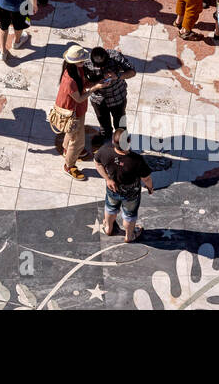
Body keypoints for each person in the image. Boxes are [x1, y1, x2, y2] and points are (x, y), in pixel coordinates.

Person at [94, 129, 154, 243]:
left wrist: (108, 179)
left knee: (111, 208)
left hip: (112, 189)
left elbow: (97, 163)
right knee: (129, 214)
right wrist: (150, 187)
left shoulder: (104, 151)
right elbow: (146, 178)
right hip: (131, 194)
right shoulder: (137, 160)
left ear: (112, 141)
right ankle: (129, 236)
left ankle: (108, 228)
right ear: (129, 141)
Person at [55, 46, 94, 180]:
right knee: (78, 141)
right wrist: (94, 89)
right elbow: (79, 98)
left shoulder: (77, 69)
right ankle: (69, 165)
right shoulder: (69, 81)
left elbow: (83, 84)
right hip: (73, 112)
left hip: (77, 110)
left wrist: (96, 82)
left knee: (71, 133)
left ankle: (67, 149)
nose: (84, 62)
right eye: (81, 60)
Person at [86, 46, 135, 140]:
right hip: (98, 99)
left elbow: (132, 72)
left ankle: (121, 142)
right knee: (103, 123)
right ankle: (105, 138)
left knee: (120, 124)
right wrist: (98, 83)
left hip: (117, 97)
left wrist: (117, 75)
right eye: (99, 67)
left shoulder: (116, 57)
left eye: (104, 65)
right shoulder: (86, 63)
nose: (103, 68)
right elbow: (84, 84)